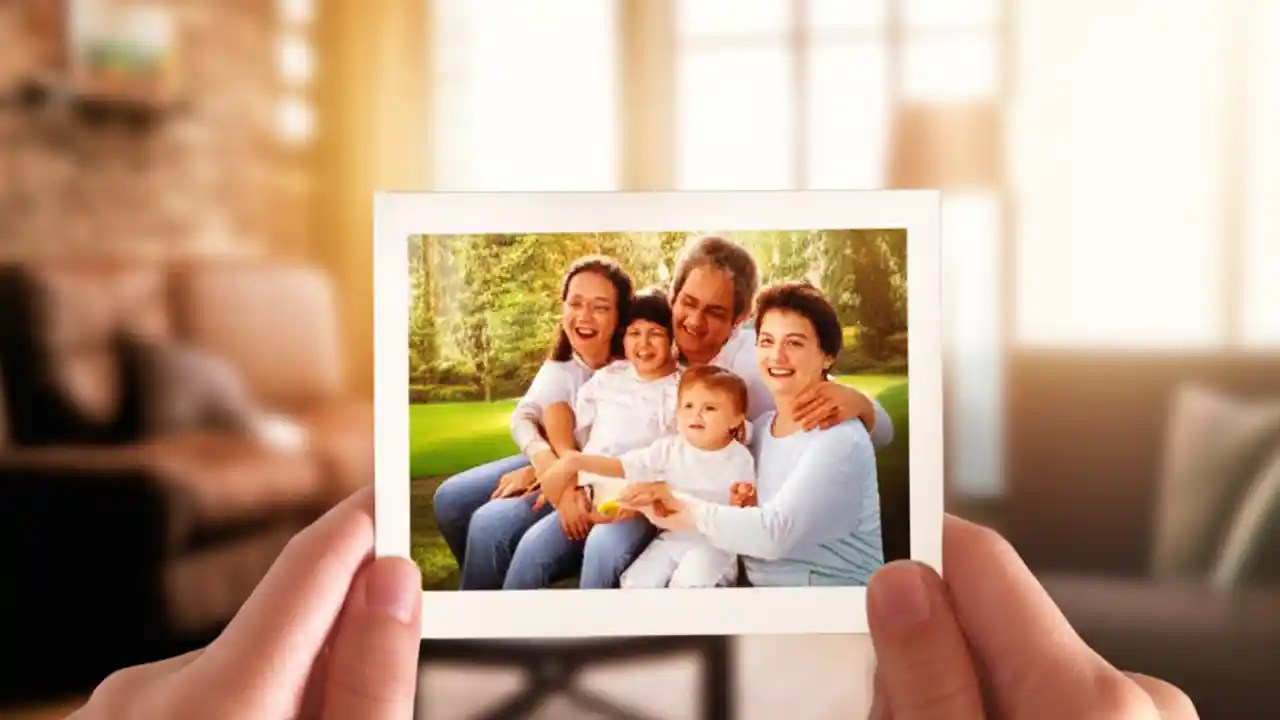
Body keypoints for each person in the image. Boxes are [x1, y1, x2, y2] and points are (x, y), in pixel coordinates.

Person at [67, 488, 1197, 719]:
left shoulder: (765, 415)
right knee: (495, 512)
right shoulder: (582, 371)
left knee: (624, 552)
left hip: (661, 515)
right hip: (591, 482)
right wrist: (547, 465)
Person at [623, 281, 884, 586]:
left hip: (823, 604)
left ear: (827, 355)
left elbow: (773, 534)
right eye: (767, 341)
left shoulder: (839, 437)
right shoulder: (761, 429)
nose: (777, 356)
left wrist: (678, 503)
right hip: (757, 597)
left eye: (795, 343)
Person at [431, 255, 633, 589]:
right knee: (451, 498)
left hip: (595, 475)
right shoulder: (563, 366)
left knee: (489, 523)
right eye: (575, 303)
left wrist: (560, 479)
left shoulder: (631, 367)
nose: (584, 316)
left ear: (619, 316)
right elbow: (524, 418)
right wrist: (541, 461)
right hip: (555, 460)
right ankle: (483, 578)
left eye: (600, 307)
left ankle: (488, 602)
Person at [500, 289, 683, 589]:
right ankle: (504, 633)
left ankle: (593, 628)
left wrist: (639, 502)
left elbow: (683, 460)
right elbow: (558, 410)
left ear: (673, 340)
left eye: (655, 334)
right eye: (634, 333)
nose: (643, 344)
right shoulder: (612, 375)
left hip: (637, 504)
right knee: (532, 549)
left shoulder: (680, 391)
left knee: (602, 546)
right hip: (588, 491)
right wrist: (568, 476)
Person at [540, 365, 757, 589]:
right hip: (673, 538)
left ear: (735, 419)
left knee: (689, 583)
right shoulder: (668, 449)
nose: (696, 415)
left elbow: (744, 512)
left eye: (709, 408)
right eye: (688, 406)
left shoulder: (739, 458)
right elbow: (623, 466)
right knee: (637, 583)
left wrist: (742, 500)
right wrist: (578, 461)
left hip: (714, 545)